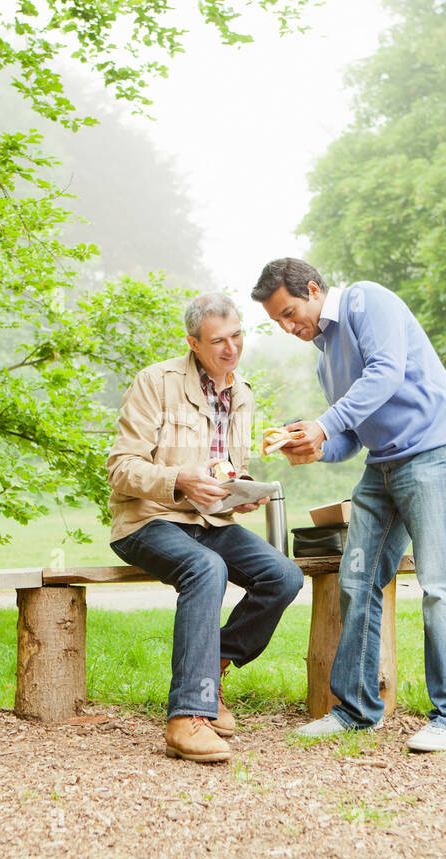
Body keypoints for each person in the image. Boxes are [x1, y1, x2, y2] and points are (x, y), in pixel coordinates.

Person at [252, 258, 446, 752]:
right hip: (382, 464)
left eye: (290, 313)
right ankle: (356, 711)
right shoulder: (323, 357)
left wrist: (324, 424)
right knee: (356, 579)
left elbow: (385, 374)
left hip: (433, 449)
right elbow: (351, 435)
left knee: (440, 584)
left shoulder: (366, 300)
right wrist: (315, 447)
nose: (289, 327)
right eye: (277, 322)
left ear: (313, 289)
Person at [107, 291, 304, 762]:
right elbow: (120, 469)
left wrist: (242, 490)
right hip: (147, 520)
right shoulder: (155, 382)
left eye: (236, 336)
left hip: (209, 520)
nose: (230, 348)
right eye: (218, 341)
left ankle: (211, 667)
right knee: (207, 567)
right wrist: (179, 480)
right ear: (193, 342)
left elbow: (227, 468)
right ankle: (186, 719)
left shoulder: (243, 394)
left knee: (284, 576)